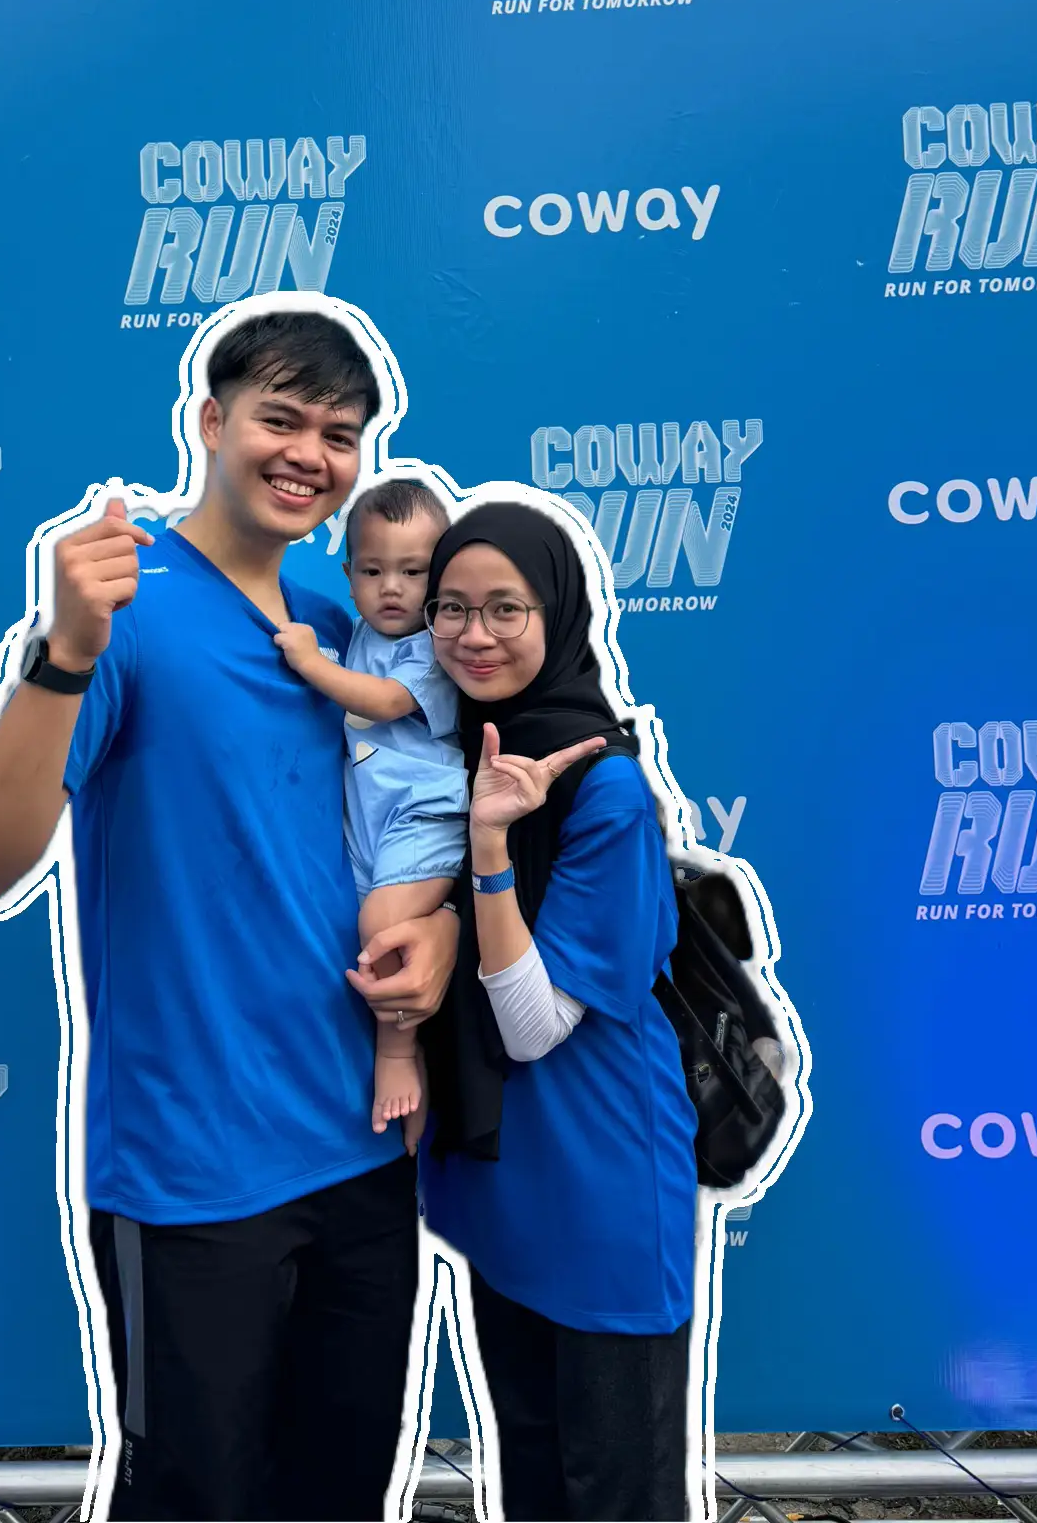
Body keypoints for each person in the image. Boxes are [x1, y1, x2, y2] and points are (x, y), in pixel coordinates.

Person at [0, 309, 461, 1523]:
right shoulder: (123, 610)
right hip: (192, 1171)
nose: (309, 452)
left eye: (340, 432)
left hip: (366, 1149)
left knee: (339, 1500)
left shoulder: (349, 615)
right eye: (281, 417)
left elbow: (418, 821)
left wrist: (435, 930)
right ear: (211, 420)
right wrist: (66, 652)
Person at [418, 500, 701, 1523]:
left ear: (560, 612)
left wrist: (491, 847)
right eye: (452, 606)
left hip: (600, 1188)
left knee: (614, 1497)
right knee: (534, 1486)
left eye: (507, 607)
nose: (476, 634)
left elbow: (533, 1025)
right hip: (503, 1191)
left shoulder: (602, 789)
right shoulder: (439, 755)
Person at [275, 478, 468, 1148]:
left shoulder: (438, 648)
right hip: (367, 825)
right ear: (349, 576)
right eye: (373, 570)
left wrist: (308, 662)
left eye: (414, 573)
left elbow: (383, 702)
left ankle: (398, 1054)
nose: (392, 588)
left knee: (382, 926)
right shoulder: (353, 634)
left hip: (426, 817)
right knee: (356, 934)